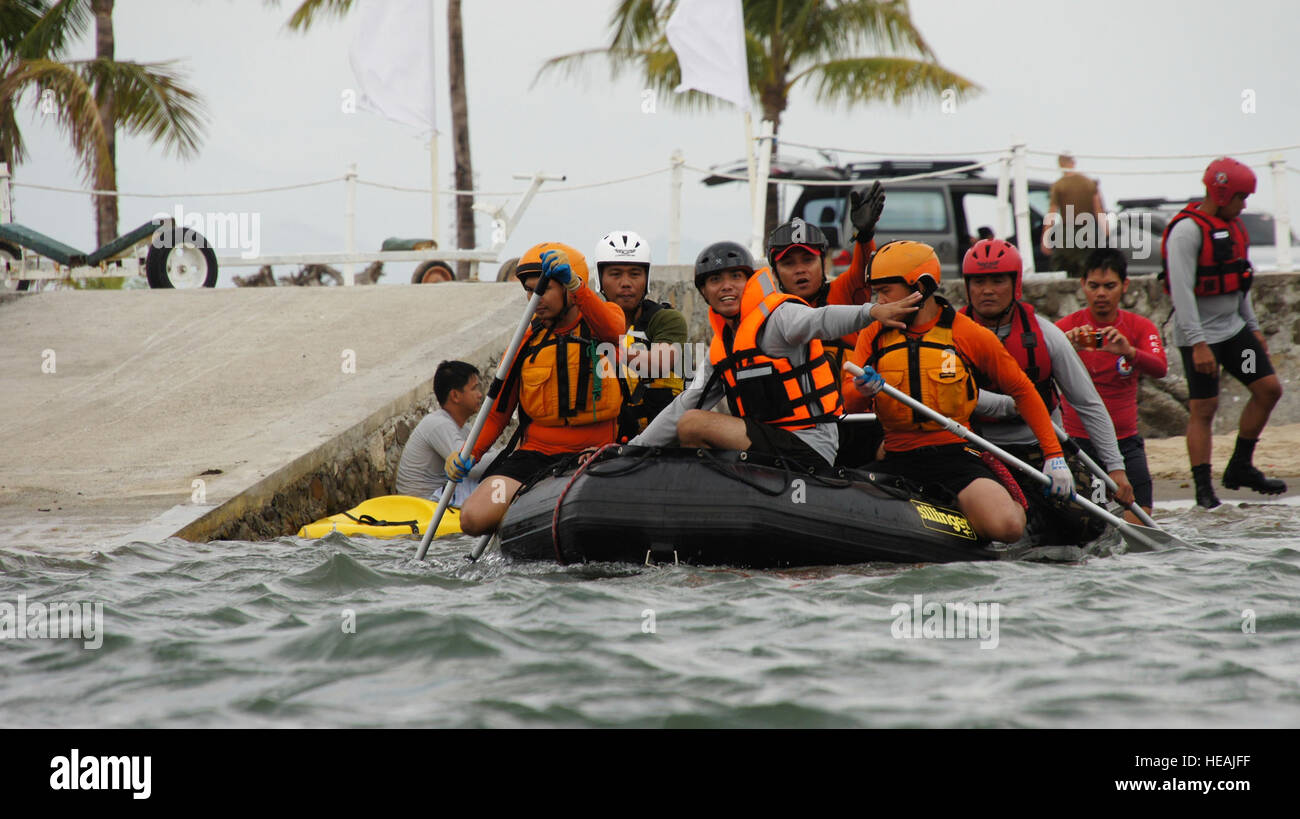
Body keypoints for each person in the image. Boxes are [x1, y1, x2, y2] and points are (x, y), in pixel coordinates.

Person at [842, 240, 1073, 543]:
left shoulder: (967, 333)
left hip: (955, 457)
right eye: (876, 292)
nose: (880, 301)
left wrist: (1054, 456)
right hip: (897, 456)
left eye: (886, 291)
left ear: (921, 287)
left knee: (1007, 527)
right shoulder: (873, 334)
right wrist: (861, 390)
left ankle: (1017, 507)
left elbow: (1023, 391)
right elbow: (848, 402)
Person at [628, 241, 919, 469]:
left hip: (808, 444)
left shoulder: (779, 316)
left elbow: (821, 319)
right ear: (704, 291)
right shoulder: (723, 346)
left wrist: (872, 312)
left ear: (750, 281)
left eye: (735, 276)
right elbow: (686, 401)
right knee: (687, 420)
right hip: (766, 441)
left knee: (693, 424)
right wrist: (633, 448)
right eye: (715, 279)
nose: (726, 285)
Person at [449, 242, 626, 536]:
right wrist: (470, 453)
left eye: (545, 288)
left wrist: (575, 285)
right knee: (473, 518)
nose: (536, 298)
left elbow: (613, 330)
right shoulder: (527, 339)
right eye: (530, 290)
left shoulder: (604, 319)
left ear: (569, 288)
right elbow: (497, 413)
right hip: (536, 455)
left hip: (594, 451)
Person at [1161, 156, 1284, 508]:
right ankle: (1204, 490)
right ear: (1220, 193)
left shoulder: (1232, 228)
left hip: (1233, 332)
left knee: (1268, 389)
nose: (1244, 205)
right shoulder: (1186, 231)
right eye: (1240, 197)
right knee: (1205, 408)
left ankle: (1240, 466)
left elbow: (1239, 284)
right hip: (1199, 337)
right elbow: (1182, 293)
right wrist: (1198, 343)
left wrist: (1254, 328)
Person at [766, 185, 887, 465]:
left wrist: (865, 236)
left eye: (808, 259)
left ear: (824, 262)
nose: (800, 269)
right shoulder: (769, 313)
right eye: (789, 263)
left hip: (855, 423)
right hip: (798, 430)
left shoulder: (843, 293)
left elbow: (861, 270)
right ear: (775, 272)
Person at [1055, 249, 1167, 522]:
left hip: (1126, 443)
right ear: (1082, 285)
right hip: (1077, 445)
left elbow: (1160, 368)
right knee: (1088, 527)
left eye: (1109, 286)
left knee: (1142, 529)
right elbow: (1027, 373)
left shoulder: (1139, 327)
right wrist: (1063, 346)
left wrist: (1129, 352)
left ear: (1125, 286)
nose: (1101, 294)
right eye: (1094, 286)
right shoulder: (1064, 329)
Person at [592, 230, 688, 440]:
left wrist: (610, 347)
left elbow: (659, 363)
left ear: (646, 278)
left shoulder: (666, 319)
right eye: (615, 274)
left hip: (660, 436)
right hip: (605, 437)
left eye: (635, 274)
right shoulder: (586, 324)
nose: (626, 283)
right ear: (601, 279)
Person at [394, 360, 499, 507]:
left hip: (440, 495)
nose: (480, 395)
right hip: (422, 503)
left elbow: (489, 454)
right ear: (455, 396)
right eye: (474, 388)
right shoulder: (438, 424)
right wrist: (513, 453)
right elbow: (470, 466)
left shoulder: (463, 428)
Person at [1041, 151, 1106, 277]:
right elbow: (1099, 210)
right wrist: (1107, 233)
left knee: (1062, 268)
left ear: (1060, 164)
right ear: (1073, 163)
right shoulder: (1089, 183)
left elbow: (1052, 214)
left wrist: (1045, 238)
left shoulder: (1059, 185)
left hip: (1068, 233)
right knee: (1089, 269)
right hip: (1089, 230)